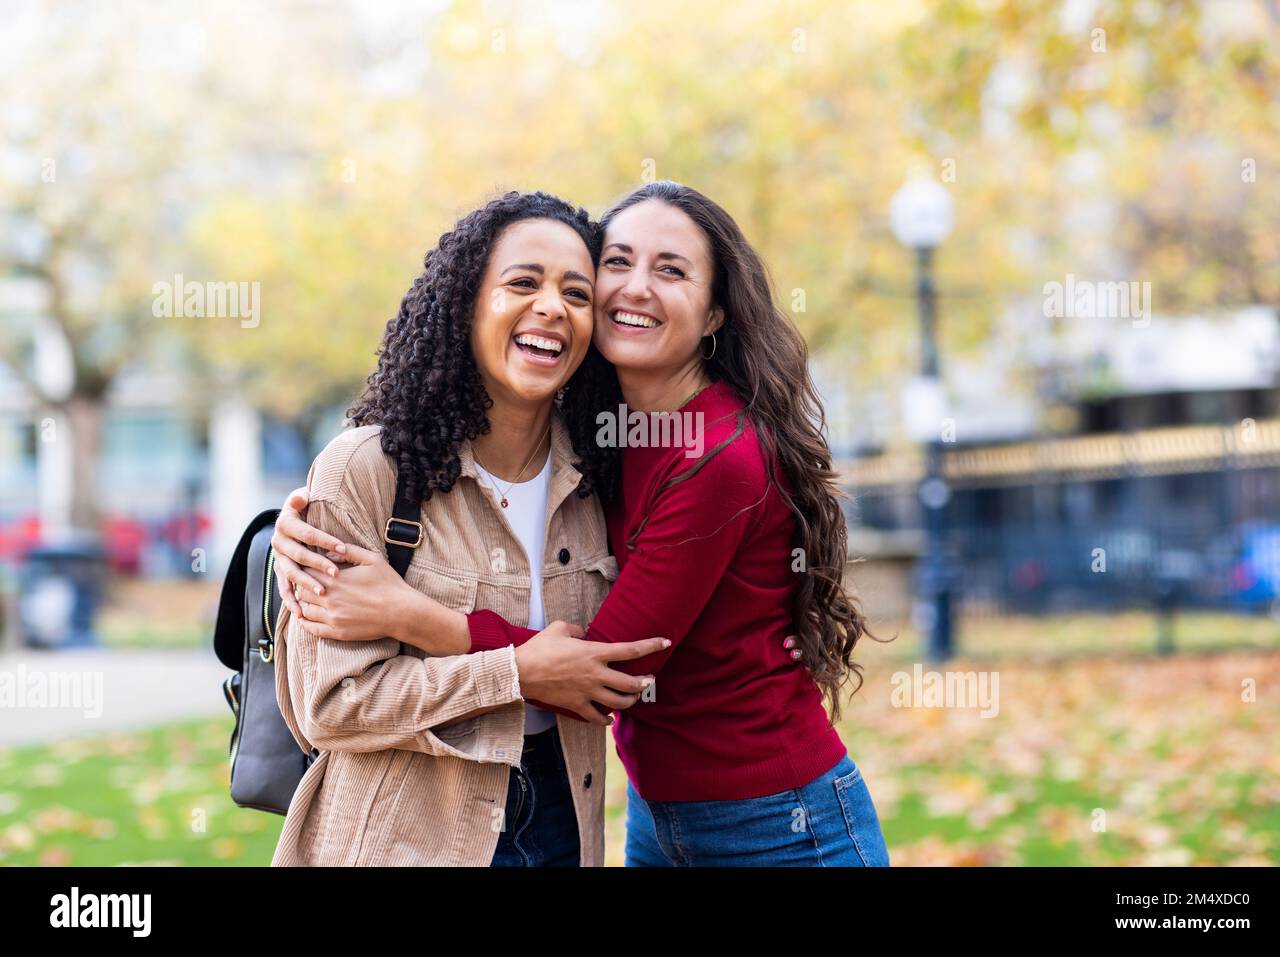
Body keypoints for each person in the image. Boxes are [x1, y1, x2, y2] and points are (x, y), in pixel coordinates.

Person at [275, 182, 891, 866]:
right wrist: (297, 527)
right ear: (466, 301)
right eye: (617, 264)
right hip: (579, 824)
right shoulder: (602, 444)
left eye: (671, 270)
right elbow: (330, 700)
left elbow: (604, 667)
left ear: (715, 312)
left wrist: (417, 617)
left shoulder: (682, 459)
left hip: (769, 821)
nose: (632, 289)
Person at [269, 190, 665, 867]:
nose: (551, 306)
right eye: (523, 282)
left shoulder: (604, 475)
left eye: (576, 293)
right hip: (404, 834)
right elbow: (332, 703)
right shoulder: (370, 469)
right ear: (467, 304)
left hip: (564, 825)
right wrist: (514, 673)